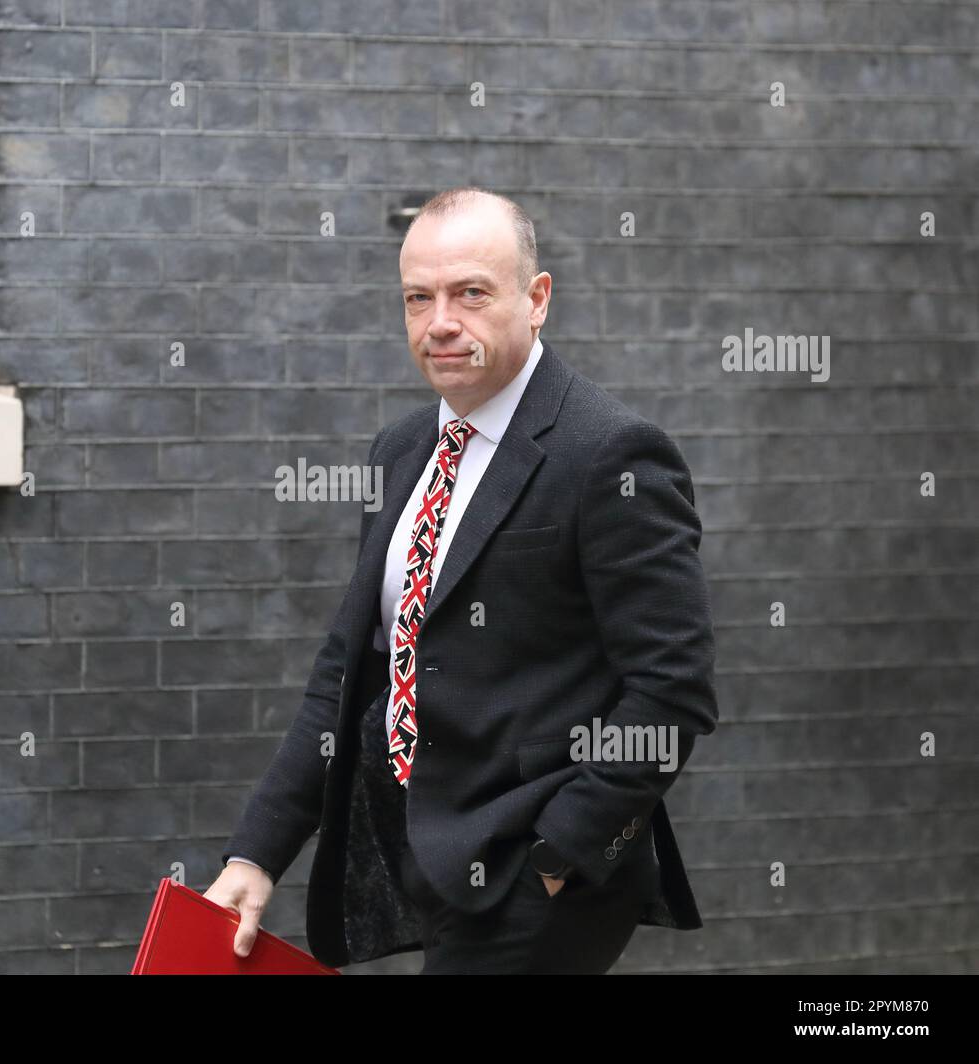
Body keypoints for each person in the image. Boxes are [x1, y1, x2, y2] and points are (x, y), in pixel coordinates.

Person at [203, 186, 718, 974]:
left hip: (537, 875)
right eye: (419, 297)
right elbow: (351, 672)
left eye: (471, 292)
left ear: (536, 299)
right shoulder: (401, 452)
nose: (441, 320)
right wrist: (257, 854)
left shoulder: (611, 454)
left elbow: (672, 690)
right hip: (425, 855)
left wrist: (561, 855)